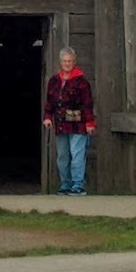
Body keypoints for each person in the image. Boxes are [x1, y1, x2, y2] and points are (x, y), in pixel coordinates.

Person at [42, 46, 95, 195]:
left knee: (77, 154)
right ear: (61, 62)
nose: (67, 63)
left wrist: (90, 123)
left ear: (74, 62)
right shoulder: (54, 81)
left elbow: (87, 104)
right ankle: (65, 184)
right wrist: (47, 117)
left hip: (78, 124)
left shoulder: (82, 82)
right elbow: (50, 102)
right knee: (62, 156)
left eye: (70, 61)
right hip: (61, 124)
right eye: (65, 61)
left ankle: (78, 186)